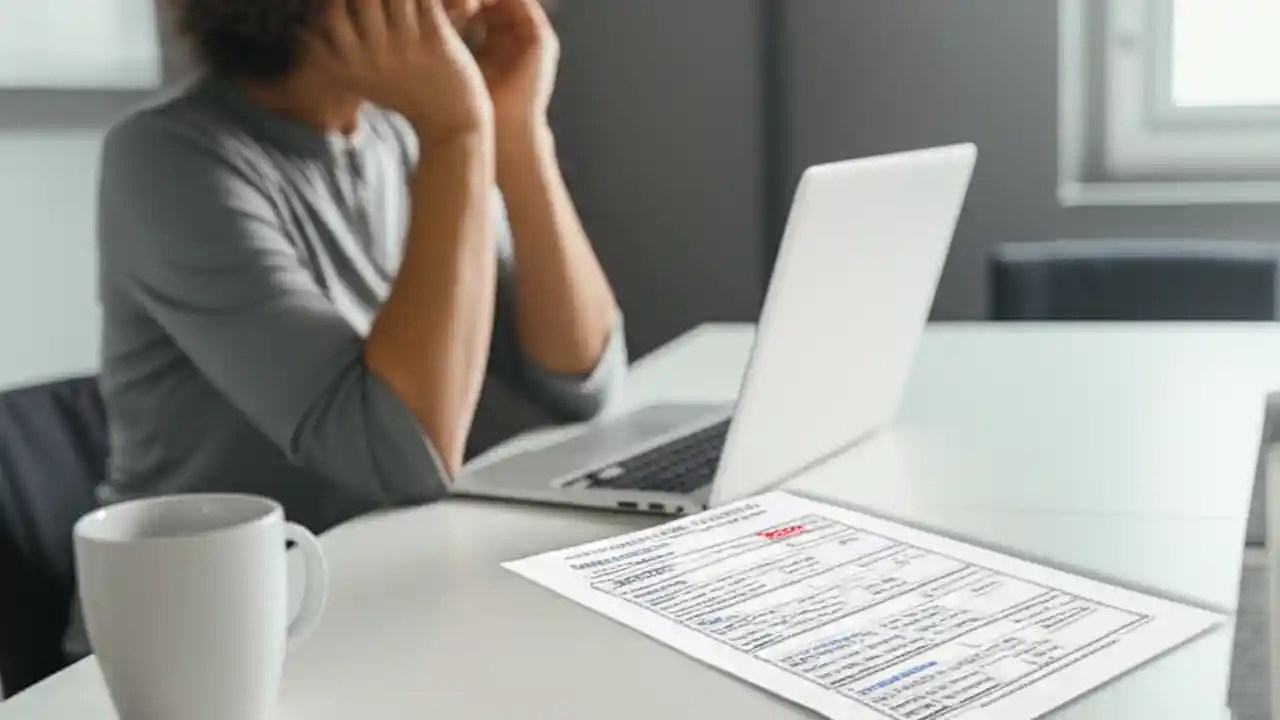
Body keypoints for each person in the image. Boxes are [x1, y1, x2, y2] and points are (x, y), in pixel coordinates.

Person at [96, 0, 627, 534]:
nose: (475, 7)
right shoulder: (168, 159)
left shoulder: (400, 135)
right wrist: (457, 134)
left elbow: (577, 379)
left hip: (377, 570)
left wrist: (518, 133)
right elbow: (399, 461)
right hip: (218, 606)